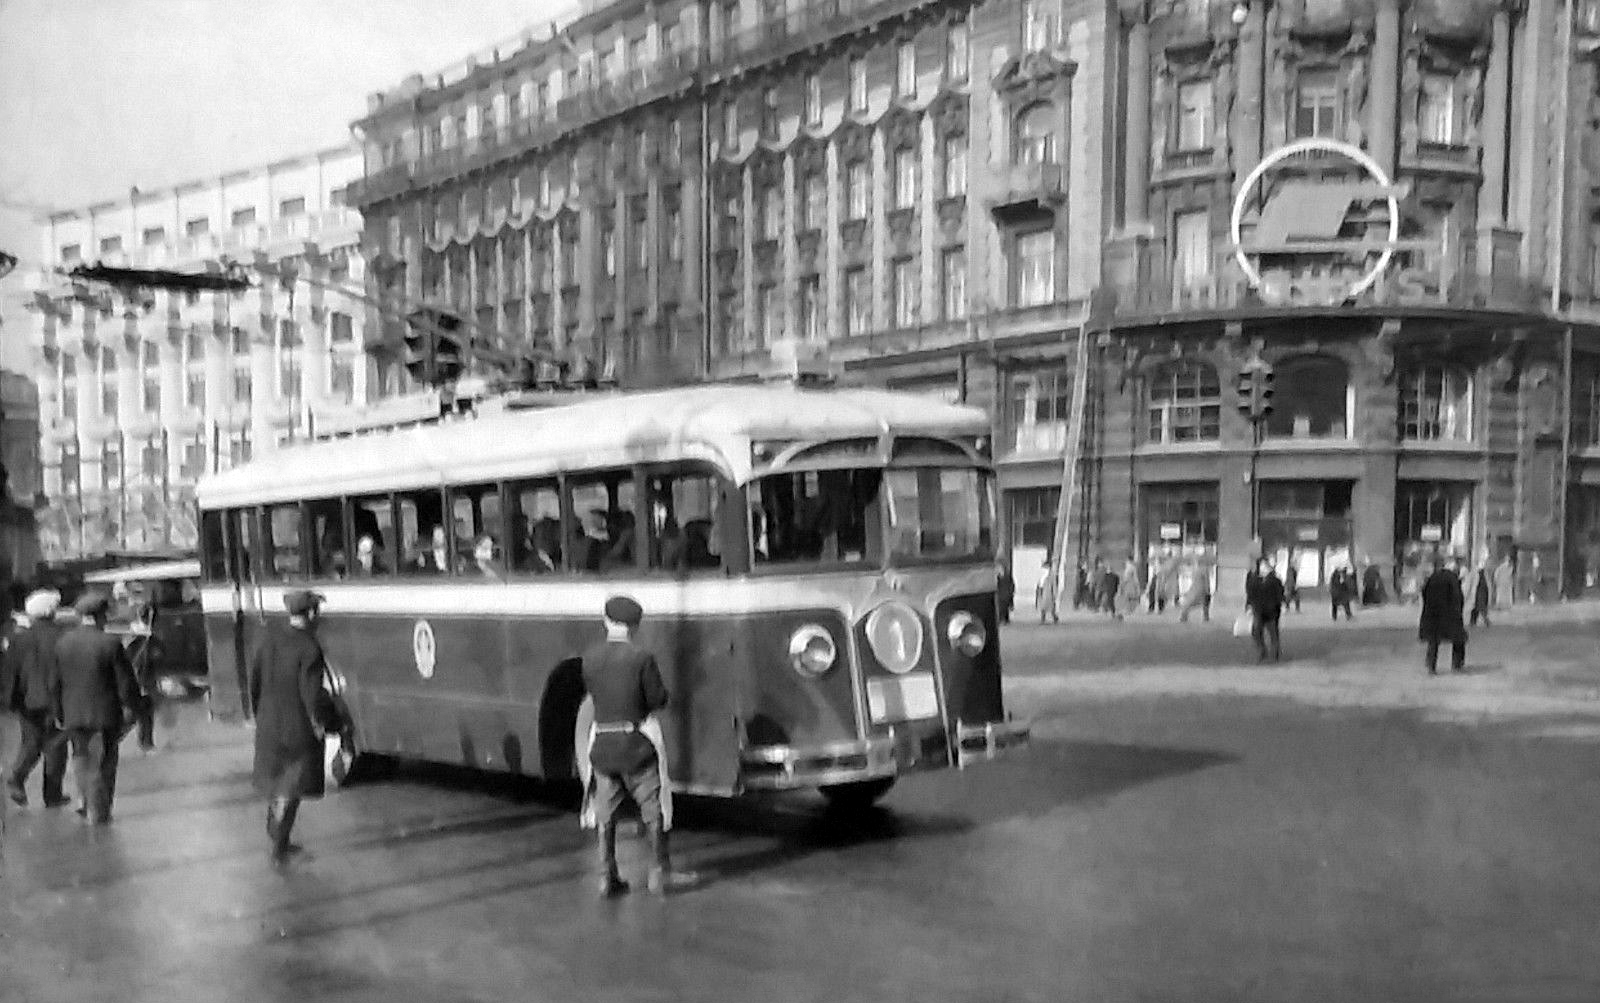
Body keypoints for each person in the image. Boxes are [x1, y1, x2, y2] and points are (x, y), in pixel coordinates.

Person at [581, 595, 693, 896]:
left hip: (603, 744)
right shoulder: (641, 658)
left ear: (606, 622)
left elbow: (593, 694)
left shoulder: (590, 658)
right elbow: (657, 700)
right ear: (635, 626)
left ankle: (608, 876)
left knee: (605, 813)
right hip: (636, 746)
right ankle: (659, 874)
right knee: (653, 806)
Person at [249, 590, 333, 860]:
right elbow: (312, 694)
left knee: (276, 783)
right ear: (310, 614)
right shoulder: (309, 648)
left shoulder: (268, 640)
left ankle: (278, 840)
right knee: (291, 787)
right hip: (297, 730)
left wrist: (259, 715)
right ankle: (279, 847)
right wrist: (323, 723)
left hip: (269, 725)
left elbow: (255, 683)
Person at [52, 591, 139, 824]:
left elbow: (56, 683)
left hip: (73, 715)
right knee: (103, 764)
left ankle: (85, 801)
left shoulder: (63, 644)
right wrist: (132, 708)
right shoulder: (110, 643)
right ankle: (98, 813)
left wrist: (59, 713)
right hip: (105, 715)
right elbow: (126, 683)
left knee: (81, 759)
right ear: (100, 616)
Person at [4, 590, 69, 808]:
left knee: (30, 743)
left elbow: (11, 673)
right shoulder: (63, 636)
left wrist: (11, 701)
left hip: (27, 701)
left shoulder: (18, 640)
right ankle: (52, 795)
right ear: (52, 612)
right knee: (56, 747)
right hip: (57, 700)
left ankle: (16, 779)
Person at [1419, 558, 1467, 676]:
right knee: (1459, 638)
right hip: (1449, 614)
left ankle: (1431, 666)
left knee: (1433, 641)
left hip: (1433, 614)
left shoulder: (1433, 577)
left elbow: (1424, 592)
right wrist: (1459, 610)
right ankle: (1456, 664)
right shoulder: (1452, 579)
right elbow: (1457, 597)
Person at [126, 602, 164, 753]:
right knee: (134, 713)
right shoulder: (137, 637)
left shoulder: (150, 636)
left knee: (146, 712)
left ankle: (146, 742)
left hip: (145, 679)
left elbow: (158, 657)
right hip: (137, 679)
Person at [1244, 558, 1286, 663]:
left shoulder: (1275, 580)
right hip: (1258, 611)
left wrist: (1279, 605)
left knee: (1273, 634)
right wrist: (1249, 605)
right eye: (1262, 566)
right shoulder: (1254, 580)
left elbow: (1280, 594)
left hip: (1271, 612)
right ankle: (1262, 651)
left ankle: (1274, 655)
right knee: (1256, 632)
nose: (1264, 568)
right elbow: (1250, 594)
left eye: (1265, 566)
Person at [1178, 558, 1212, 623]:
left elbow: (1193, 579)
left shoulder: (1195, 570)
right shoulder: (1204, 570)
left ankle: (1183, 617)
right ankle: (1206, 617)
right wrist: (1208, 590)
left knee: (1188, 602)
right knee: (1205, 603)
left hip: (1195, 588)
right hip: (1201, 589)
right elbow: (1207, 581)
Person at [994, 559, 1015, 624]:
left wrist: (1011, 591)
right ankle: (1003, 619)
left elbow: (1011, 584)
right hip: (1002, 593)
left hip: (1005, 593)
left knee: (1004, 606)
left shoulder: (1006, 576)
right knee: (1002, 606)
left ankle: (1004, 619)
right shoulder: (999, 577)